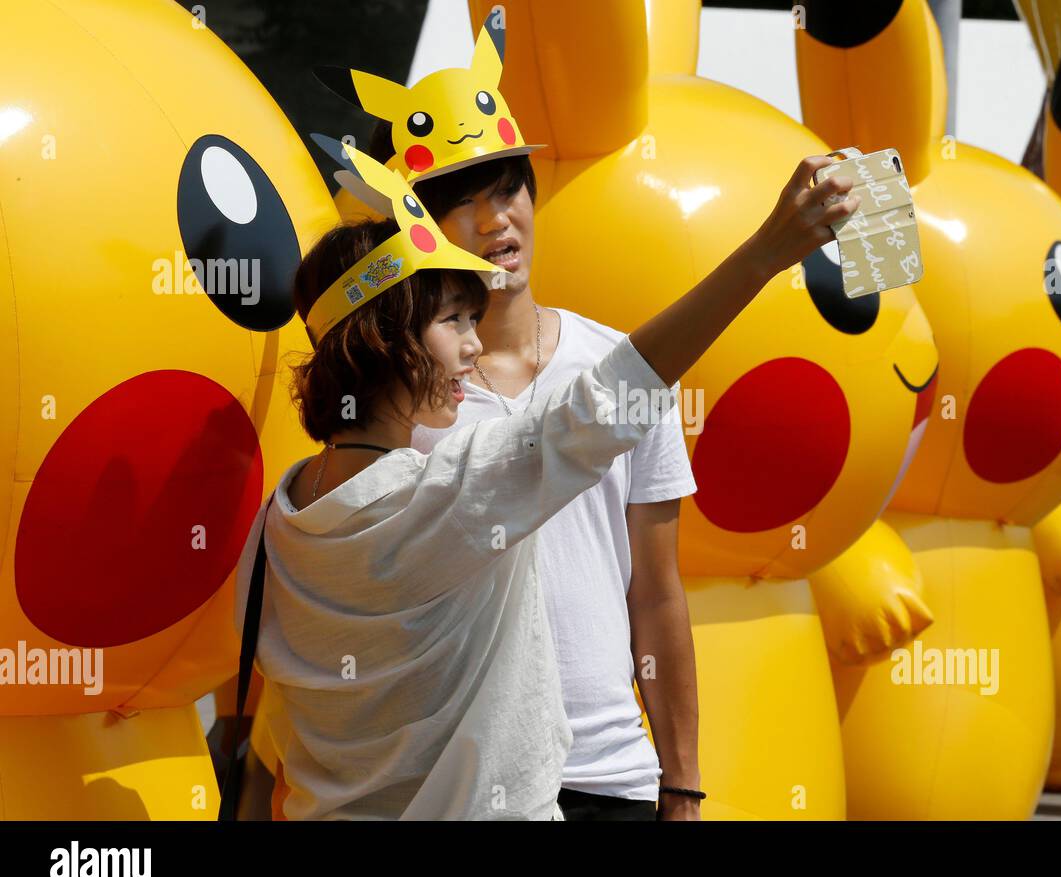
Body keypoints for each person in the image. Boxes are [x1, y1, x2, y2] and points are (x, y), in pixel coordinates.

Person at [234, 152, 860, 820]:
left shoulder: (277, 523)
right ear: (387, 340)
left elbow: (279, 723)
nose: (473, 349)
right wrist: (764, 254)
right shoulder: (448, 495)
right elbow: (610, 399)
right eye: (452, 321)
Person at [396, 144, 700, 821]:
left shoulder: (625, 370)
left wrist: (681, 781)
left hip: (614, 774)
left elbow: (656, 592)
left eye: (508, 192)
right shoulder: (409, 399)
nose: (494, 219)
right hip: (464, 779)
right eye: (463, 204)